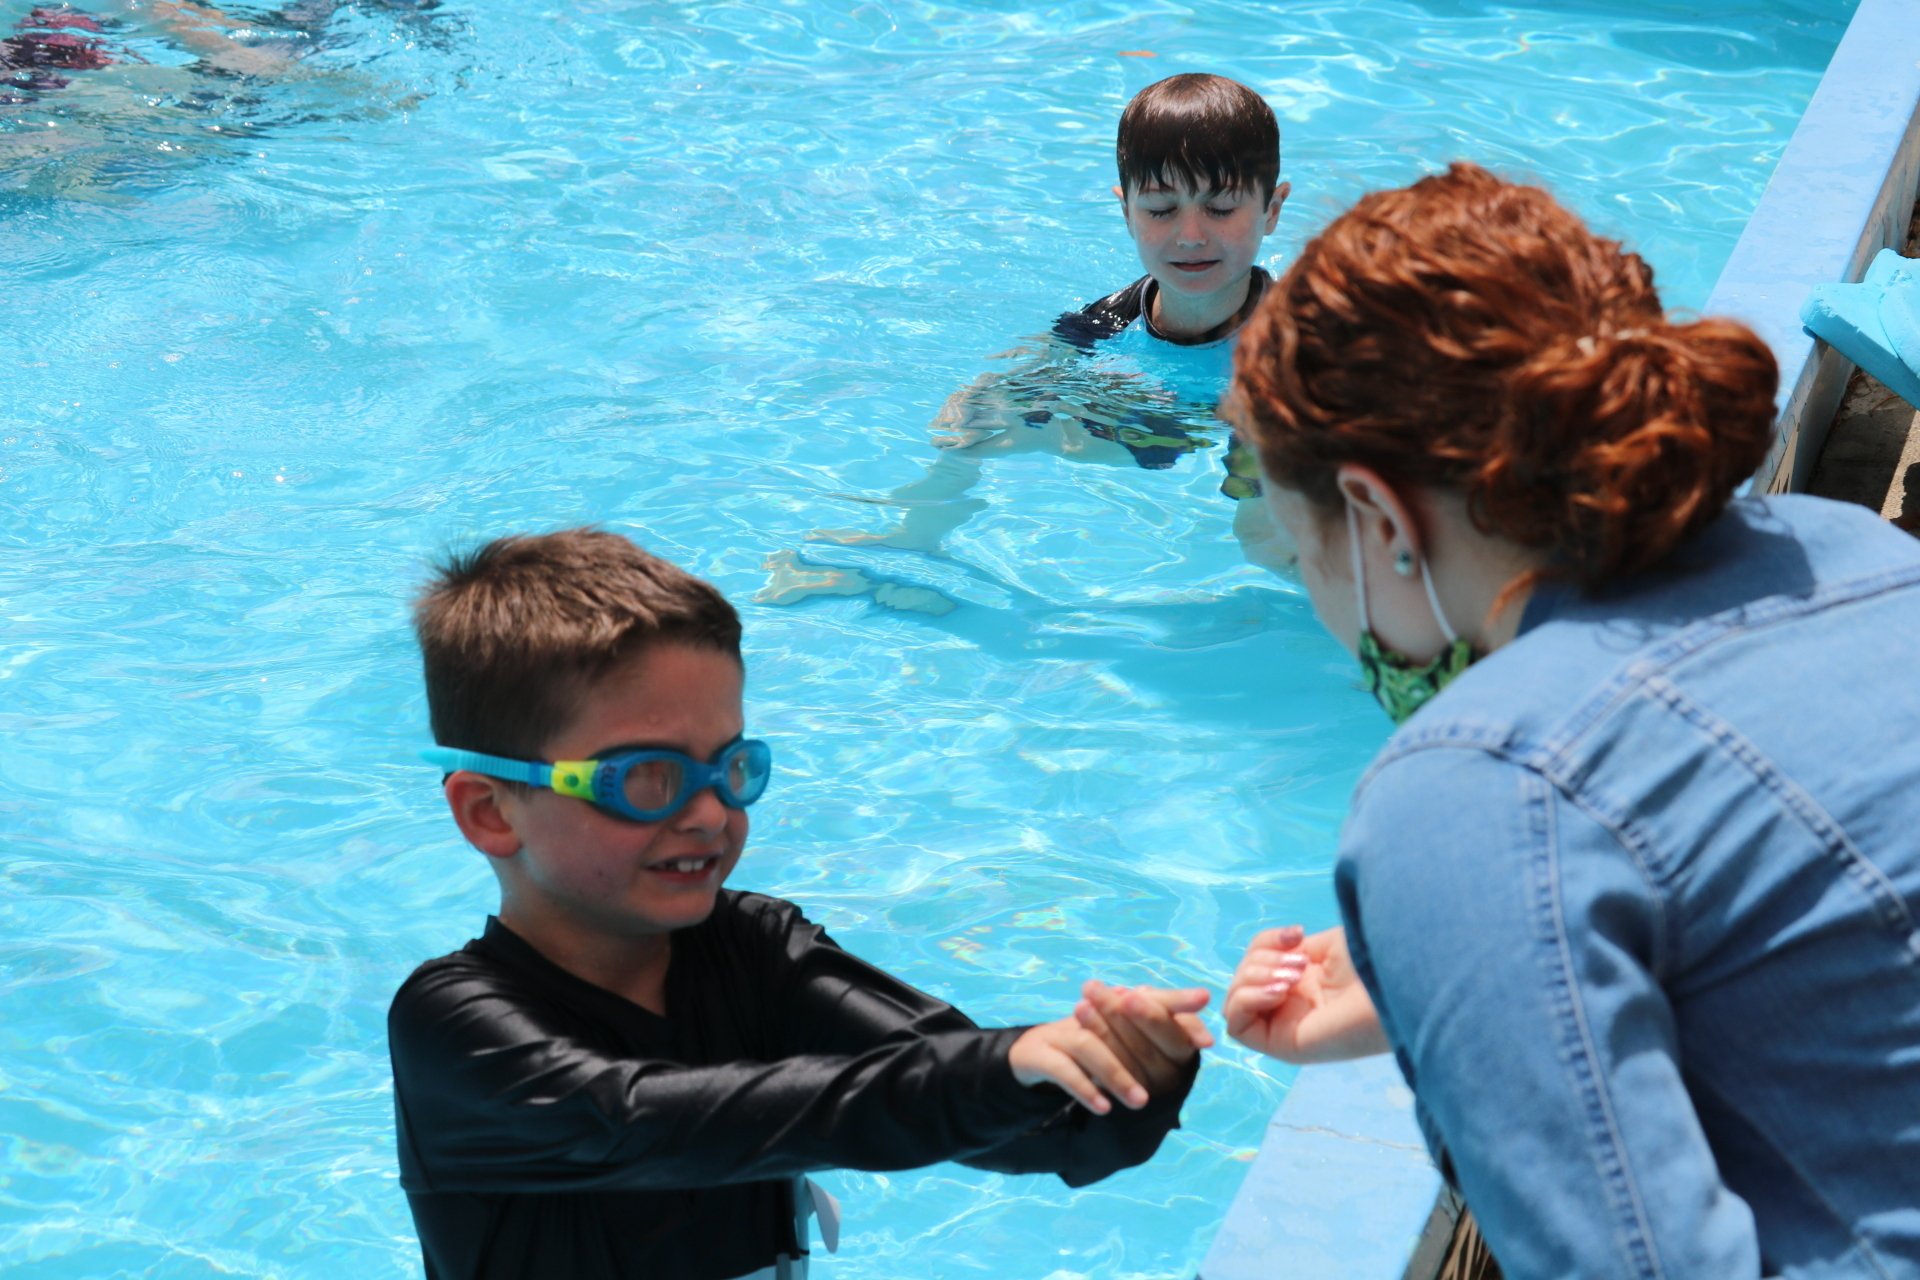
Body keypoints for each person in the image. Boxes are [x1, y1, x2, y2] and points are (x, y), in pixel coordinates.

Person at [1219, 162, 1920, 1277]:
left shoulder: (1475, 786)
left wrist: (1462, 871)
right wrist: (1460, 960)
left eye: (1305, 555)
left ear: (1375, 517)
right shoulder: (1859, 556)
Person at [391, 529, 1212, 1280]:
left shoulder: (754, 951)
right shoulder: (451, 1027)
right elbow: (644, 1123)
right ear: (491, 812)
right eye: (647, 777)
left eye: (731, 766)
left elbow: (1033, 1131)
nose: (709, 813)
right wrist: (1000, 1064)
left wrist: (1131, 1068)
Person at [763, 73, 1294, 610]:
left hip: (1264, 425)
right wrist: (985, 396)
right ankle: (912, 538)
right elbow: (1047, 361)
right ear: (1126, 212)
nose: (1191, 235)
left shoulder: (1296, 338)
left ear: (1272, 210)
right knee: (973, 430)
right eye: (1161, 210)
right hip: (1160, 421)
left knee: (1263, 540)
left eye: (1221, 209)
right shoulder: (1115, 314)